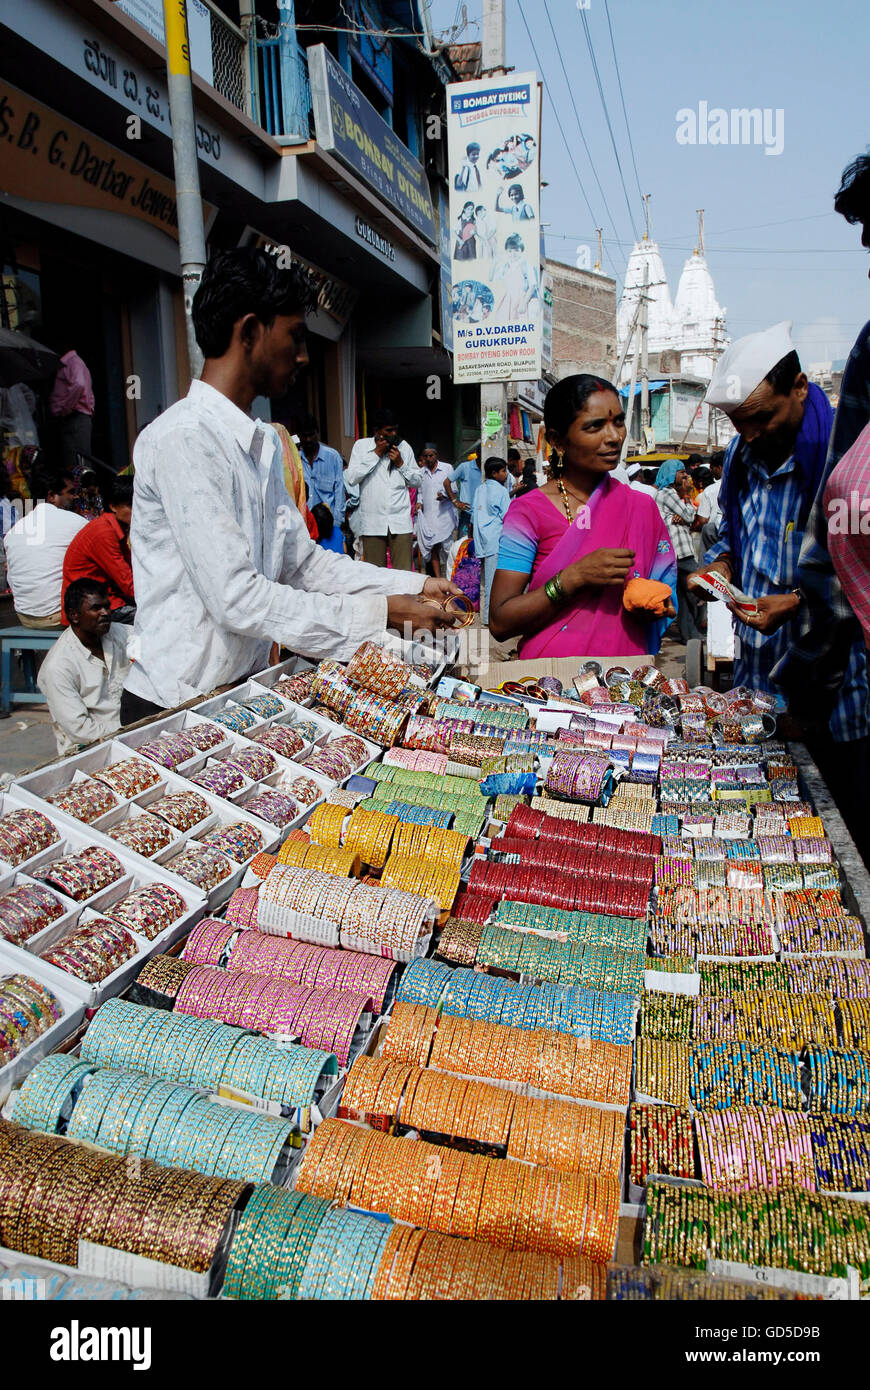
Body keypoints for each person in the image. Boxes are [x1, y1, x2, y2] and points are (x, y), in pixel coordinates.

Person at [122, 249, 459, 722]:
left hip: (233, 696)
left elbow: (303, 566)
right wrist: (383, 613)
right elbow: (237, 599)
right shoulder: (185, 439)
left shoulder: (257, 444)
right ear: (251, 331)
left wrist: (417, 584)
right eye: (296, 337)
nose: (303, 356)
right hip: (172, 706)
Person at [697, 321, 869, 853]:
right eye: (737, 423)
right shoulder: (740, 459)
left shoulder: (844, 457)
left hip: (835, 689)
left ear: (800, 387)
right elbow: (732, 528)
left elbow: (855, 570)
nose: (749, 433)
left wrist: (795, 602)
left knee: (847, 833)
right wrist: (722, 564)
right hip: (758, 680)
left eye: (762, 418)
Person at [488, 374, 676, 657]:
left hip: (627, 683)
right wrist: (572, 579)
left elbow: (664, 596)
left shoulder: (641, 507)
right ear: (557, 440)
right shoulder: (528, 512)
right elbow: (501, 622)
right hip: (553, 683)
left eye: (618, 422)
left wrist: (654, 604)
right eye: (595, 426)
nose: (614, 437)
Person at [37, 579, 131, 756]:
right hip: (90, 748)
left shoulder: (120, 633)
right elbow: (81, 731)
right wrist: (131, 727)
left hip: (132, 729)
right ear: (74, 615)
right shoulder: (58, 666)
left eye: (107, 607)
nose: (105, 613)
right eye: (96, 609)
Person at [5, 466, 86, 627]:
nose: (75, 496)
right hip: (59, 615)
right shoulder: (76, 522)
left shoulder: (13, 532)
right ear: (51, 496)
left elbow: (12, 580)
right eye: (70, 492)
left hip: (25, 617)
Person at [344, 409, 424, 572]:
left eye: (395, 429)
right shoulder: (361, 447)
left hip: (400, 522)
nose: (393, 434)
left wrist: (401, 464)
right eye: (389, 430)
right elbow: (351, 478)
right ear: (376, 431)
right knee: (375, 576)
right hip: (372, 522)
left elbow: (417, 482)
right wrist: (376, 454)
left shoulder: (404, 447)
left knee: (404, 576)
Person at [62, 477, 135, 624]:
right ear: (114, 506)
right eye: (131, 506)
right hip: (93, 608)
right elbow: (128, 583)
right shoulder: (103, 532)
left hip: (107, 600)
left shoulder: (115, 529)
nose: (138, 512)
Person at [655, 459, 703, 643]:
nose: (686, 476)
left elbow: (685, 517)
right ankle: (692, 633)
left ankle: (689, 635)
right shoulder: (668, 493)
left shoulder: (670, 495)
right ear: (671, 474)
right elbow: (690, 516)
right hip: (679, 551)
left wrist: (682, 514)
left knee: (685, 595)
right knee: (698, 587)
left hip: (679, 551)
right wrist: (687, 499)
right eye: (681, 472)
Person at [474, 457, 510, 626]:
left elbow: (475, 516)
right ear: (495, 473)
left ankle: (487, 615)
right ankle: (489, 617)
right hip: (495, 538)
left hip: (481, 538)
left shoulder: (480, 489)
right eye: (503, 471)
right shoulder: (502, 492)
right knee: (492, 581)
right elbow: (507, 516)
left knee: (486, 580)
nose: (506, 474)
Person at [48, 340, 94, 471]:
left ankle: (84, 490)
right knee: (74, 461)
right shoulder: (69, 363)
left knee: (79, 462)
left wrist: (65, 408)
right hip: (72, 417)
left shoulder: (73, 362)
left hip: (75, 416)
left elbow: (79, 385)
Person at [297, 415, 344, 541]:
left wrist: (337, 527)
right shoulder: (295, 460)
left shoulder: (333, 457)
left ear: (317, 433)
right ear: (299, 437)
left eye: (311, 435)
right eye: (304, 436)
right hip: (306, 530)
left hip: (330, 529)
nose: (308, 439)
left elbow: (339, 493)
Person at [414, 445, 457, 579]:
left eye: (431, 456)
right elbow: (420, 492)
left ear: (436, 455)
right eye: (425, 456)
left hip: (445, 516)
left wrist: (444, 495)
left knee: (448, 548)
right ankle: (438, 578)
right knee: (432, 547)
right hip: (429, 517)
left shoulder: (447, 468)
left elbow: (454, 489)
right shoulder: (421, 472)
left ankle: (451, 578)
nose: (428, 459)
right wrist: (419, 502)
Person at [493, 235, 539, 321]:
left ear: (521, 250)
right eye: (510, 251)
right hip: (509, 301)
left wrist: (524, 303)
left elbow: (532, 285)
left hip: (522, 299)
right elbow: (492, 279)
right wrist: (494, 264)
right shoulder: (505, 267)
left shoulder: (526, 266)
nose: (513, 254)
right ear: (507, 251)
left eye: (516, 250)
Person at [695, 453, 724, 549]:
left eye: (712, 468)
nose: (710, 471)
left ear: (720, 468)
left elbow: (703, 520)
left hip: (714, 537)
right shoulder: (742, 486)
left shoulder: (710, 490)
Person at [450, 455, 482, 538]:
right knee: (463, 543)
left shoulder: (489, 467)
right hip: (467, 513)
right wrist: (455, 501)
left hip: (483, 514)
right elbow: (447, 482)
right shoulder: (465, 467)